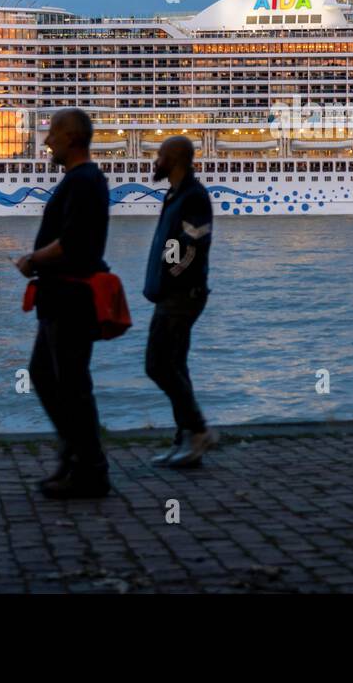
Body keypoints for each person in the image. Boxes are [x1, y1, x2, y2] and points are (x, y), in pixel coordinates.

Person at [15, 108, 111, 499]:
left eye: (53, 133)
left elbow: (74, 243)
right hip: (58, 298)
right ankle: (75, 456)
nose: (47, 140)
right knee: (46, 375)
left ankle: (89, 468)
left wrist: (32, 260)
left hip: (71, 298)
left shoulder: (84, 181)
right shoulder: (78, 180)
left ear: (71, 138)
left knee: (71, 384)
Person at [143, 136, 216, 468]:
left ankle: (197, 430)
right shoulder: (175, 194)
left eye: (159, 156)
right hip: (173, 293)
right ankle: (185, 439)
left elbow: (193, 245)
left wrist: (171, 276)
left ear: (173, 159)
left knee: (158, 365)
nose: (154, 162)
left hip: (181, 295)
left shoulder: (192, 197)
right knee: (175, 364)